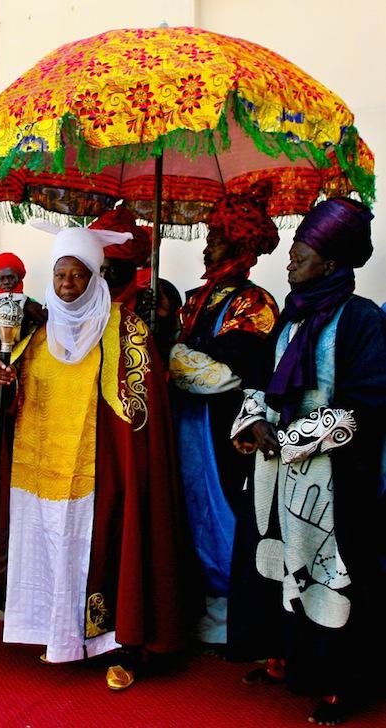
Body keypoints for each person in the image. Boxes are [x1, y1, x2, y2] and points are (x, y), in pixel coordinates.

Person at [0, 225, 188, 691]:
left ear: (96, 279)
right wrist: (4, 386)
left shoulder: (127, 329)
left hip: (100, 475)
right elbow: (15, 402)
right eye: (61, 274)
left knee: (108, 553)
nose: (67, 284)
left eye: (78, 276)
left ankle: (122, 646)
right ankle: (61, 636)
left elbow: (139, 415)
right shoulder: (37, 332)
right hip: (40, 476)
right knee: (53, 556)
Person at [229, 198, 384, 726]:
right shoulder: (291, 317)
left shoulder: (364, 321)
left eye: (300, 256)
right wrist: (252, 422)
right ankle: (284, 657)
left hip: (330, 475)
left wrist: (290, 437)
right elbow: (259, 382)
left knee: (329, 571)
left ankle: (343, 684)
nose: (289, 264)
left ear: (332, 264)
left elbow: (367, 404)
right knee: (272, 560)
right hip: (275, 468)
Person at [168, 187, 281, 645]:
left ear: (238, 244)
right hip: (188, 425)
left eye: (215, 236)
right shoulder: (197, 300)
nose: (206, 244)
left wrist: (176, 353)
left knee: (227, 516)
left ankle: (237, 622)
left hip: (226, 431)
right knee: (188, 512)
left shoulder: (256, 304)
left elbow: (227, 375)